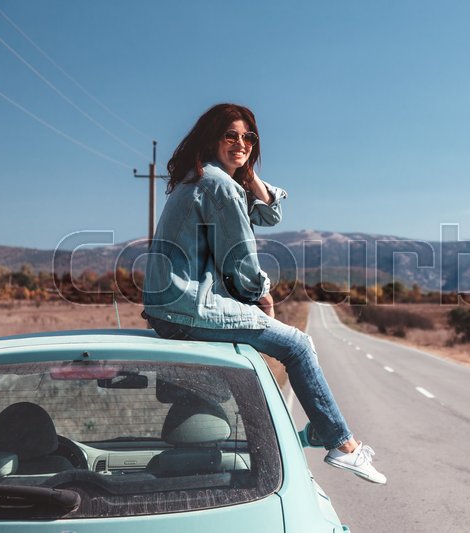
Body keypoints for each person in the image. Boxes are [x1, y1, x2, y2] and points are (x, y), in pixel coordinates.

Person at [142, 103, 385, 484]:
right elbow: (239, 258)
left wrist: (250, 174)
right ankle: (342, 445)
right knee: (299, 346)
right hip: (189, 308)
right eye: (230, 136)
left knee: (281, 345)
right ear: (211, 140)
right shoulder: (218, 185)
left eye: (248, 137)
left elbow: (269, 215)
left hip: (172, 307)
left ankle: (322, 430)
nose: (241, 142)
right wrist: (262, 296)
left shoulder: (205, 178)